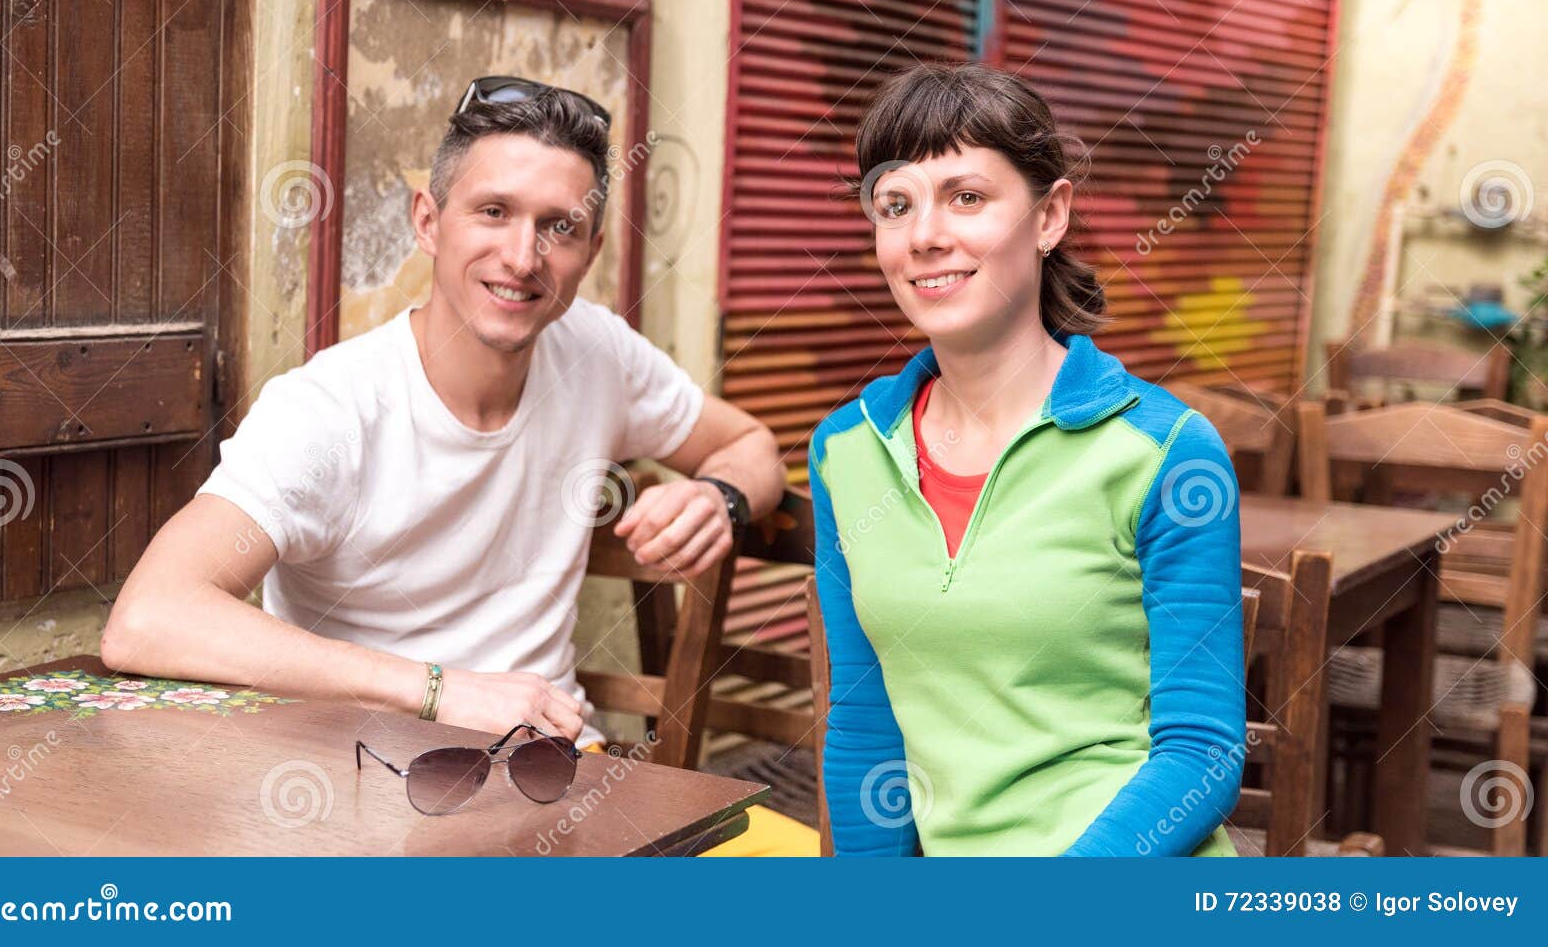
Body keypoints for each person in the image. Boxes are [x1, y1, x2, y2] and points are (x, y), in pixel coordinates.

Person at [103, 76, 811, 853]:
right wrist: (440, 691)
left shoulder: (597, 353)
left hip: (553, 776)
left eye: (559, 227)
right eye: (494, 212)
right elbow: (148, 620)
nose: (521, 256)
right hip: (353, 789)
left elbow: (748, 445)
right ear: (429, 222)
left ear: (591, 253)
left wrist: (721, 498)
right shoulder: (331, 409)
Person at [811, 62, 1246, 856]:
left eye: (966, 197)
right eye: (895, 205)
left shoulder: (1166, 452)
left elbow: (1202, 753)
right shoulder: (846, 450)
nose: (925, 235)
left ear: (1050, 217)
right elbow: (866, 723)